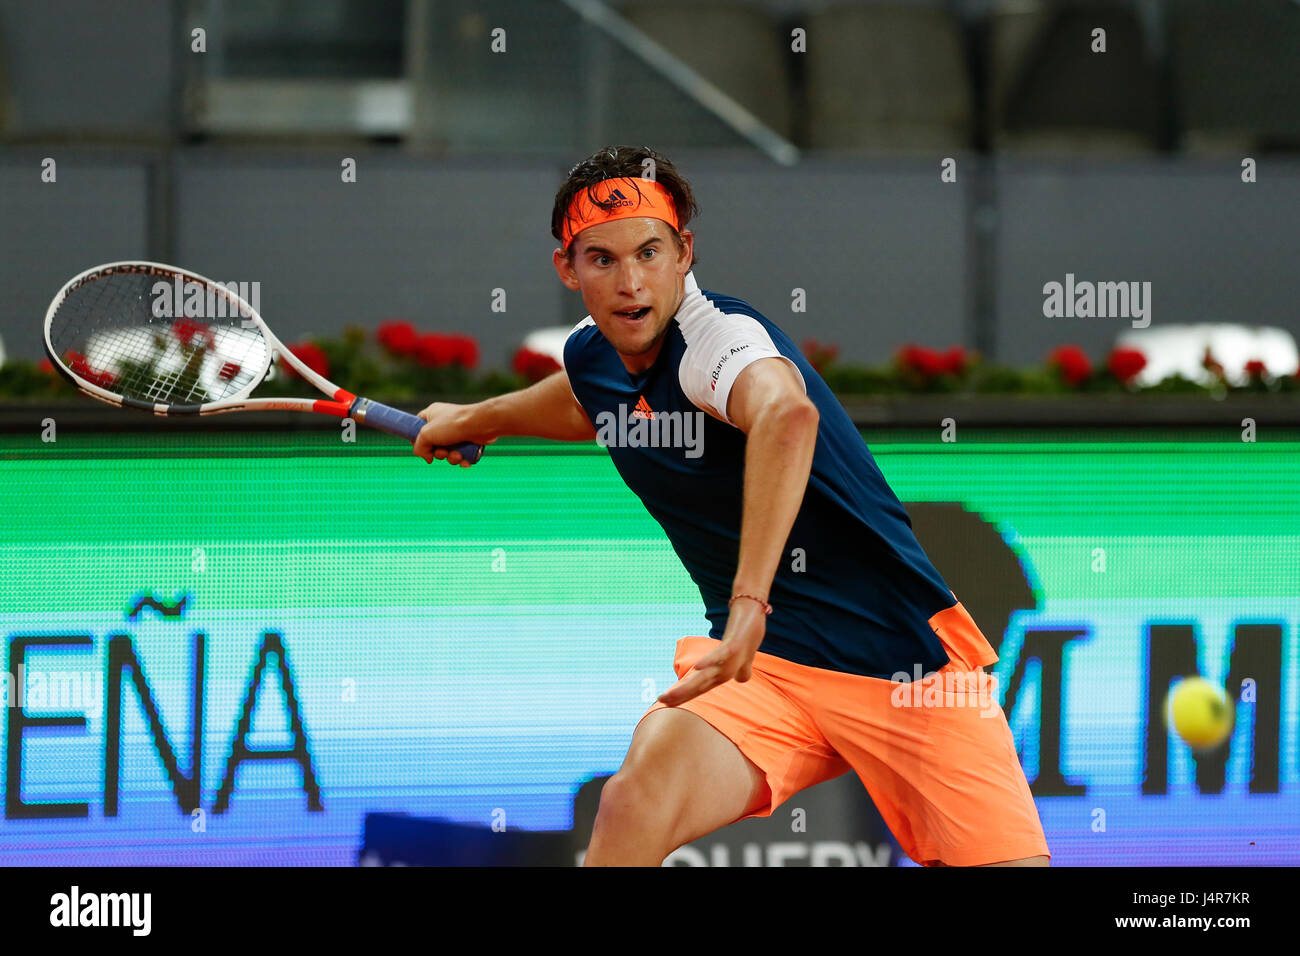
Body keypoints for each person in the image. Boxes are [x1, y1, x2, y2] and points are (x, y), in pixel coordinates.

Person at [413, 145, 1050, 867]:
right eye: (603, 260)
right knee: (634, 801)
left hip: (905, 671)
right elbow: (593, 400)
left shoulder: (717, 341)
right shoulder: (595, 355)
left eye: (649, 252)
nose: (630, 283)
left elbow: (787, 417)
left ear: (684, 253)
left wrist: (750, 601)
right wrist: (479, 418)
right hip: (762, 672)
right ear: (568, 267)